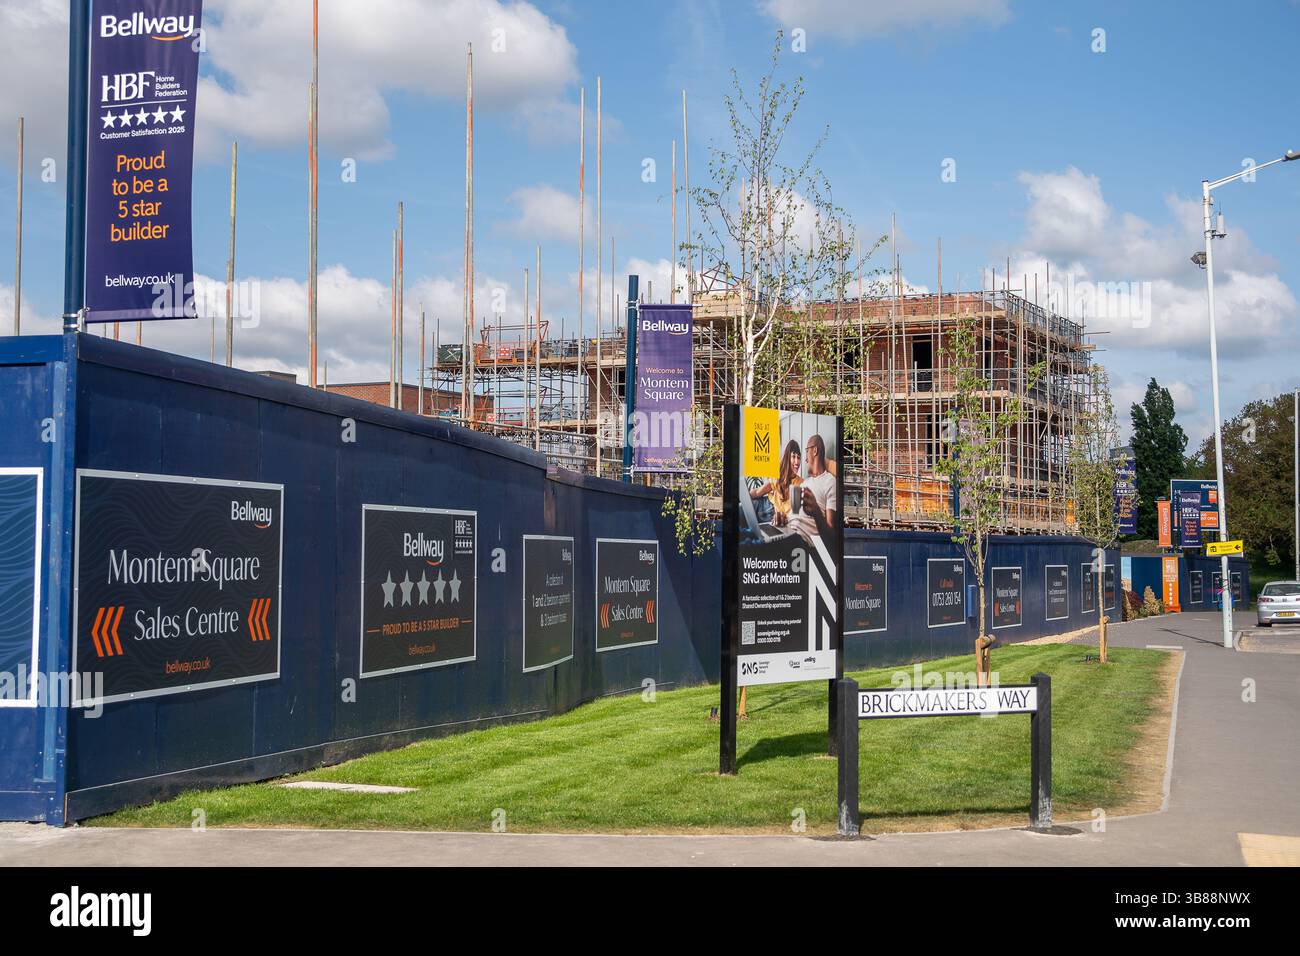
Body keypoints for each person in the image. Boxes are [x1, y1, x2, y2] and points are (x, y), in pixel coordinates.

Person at [749, 441, 802, 526]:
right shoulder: (778, 477)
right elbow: (758, 492)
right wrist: (743, 497)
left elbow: (795, 514)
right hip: (763, 505)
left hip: (775, 518)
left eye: (798, 457)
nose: (797, 461)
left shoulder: (801, 483)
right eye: (793, 456)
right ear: (787, 458)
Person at [798, 433, 837, 540]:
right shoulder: (804, 482)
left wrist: (816, 511)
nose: (805, 459)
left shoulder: (830, 482)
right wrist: (783, 518)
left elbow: (831, 532)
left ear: (814, 451)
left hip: (803, 541)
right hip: (789, 531)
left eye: (806, 451)